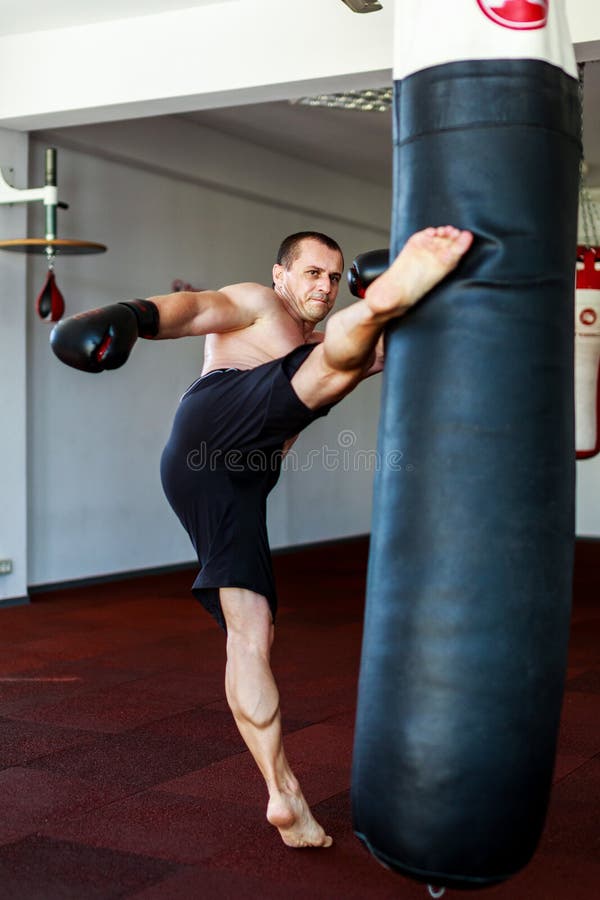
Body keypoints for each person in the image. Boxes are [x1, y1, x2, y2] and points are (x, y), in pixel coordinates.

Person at [50, 225, 473, 849]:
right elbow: (193, 309)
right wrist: (130, 316)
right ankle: (388, 299)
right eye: (312, 273)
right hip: (213, 429)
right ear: (281, 276)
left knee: (253, 634)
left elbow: (372, 355)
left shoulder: (325, 338)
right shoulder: (255, 302)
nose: (324, 286)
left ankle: (284, 795)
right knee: (340, 357)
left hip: (240, 478)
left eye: (334, 278)